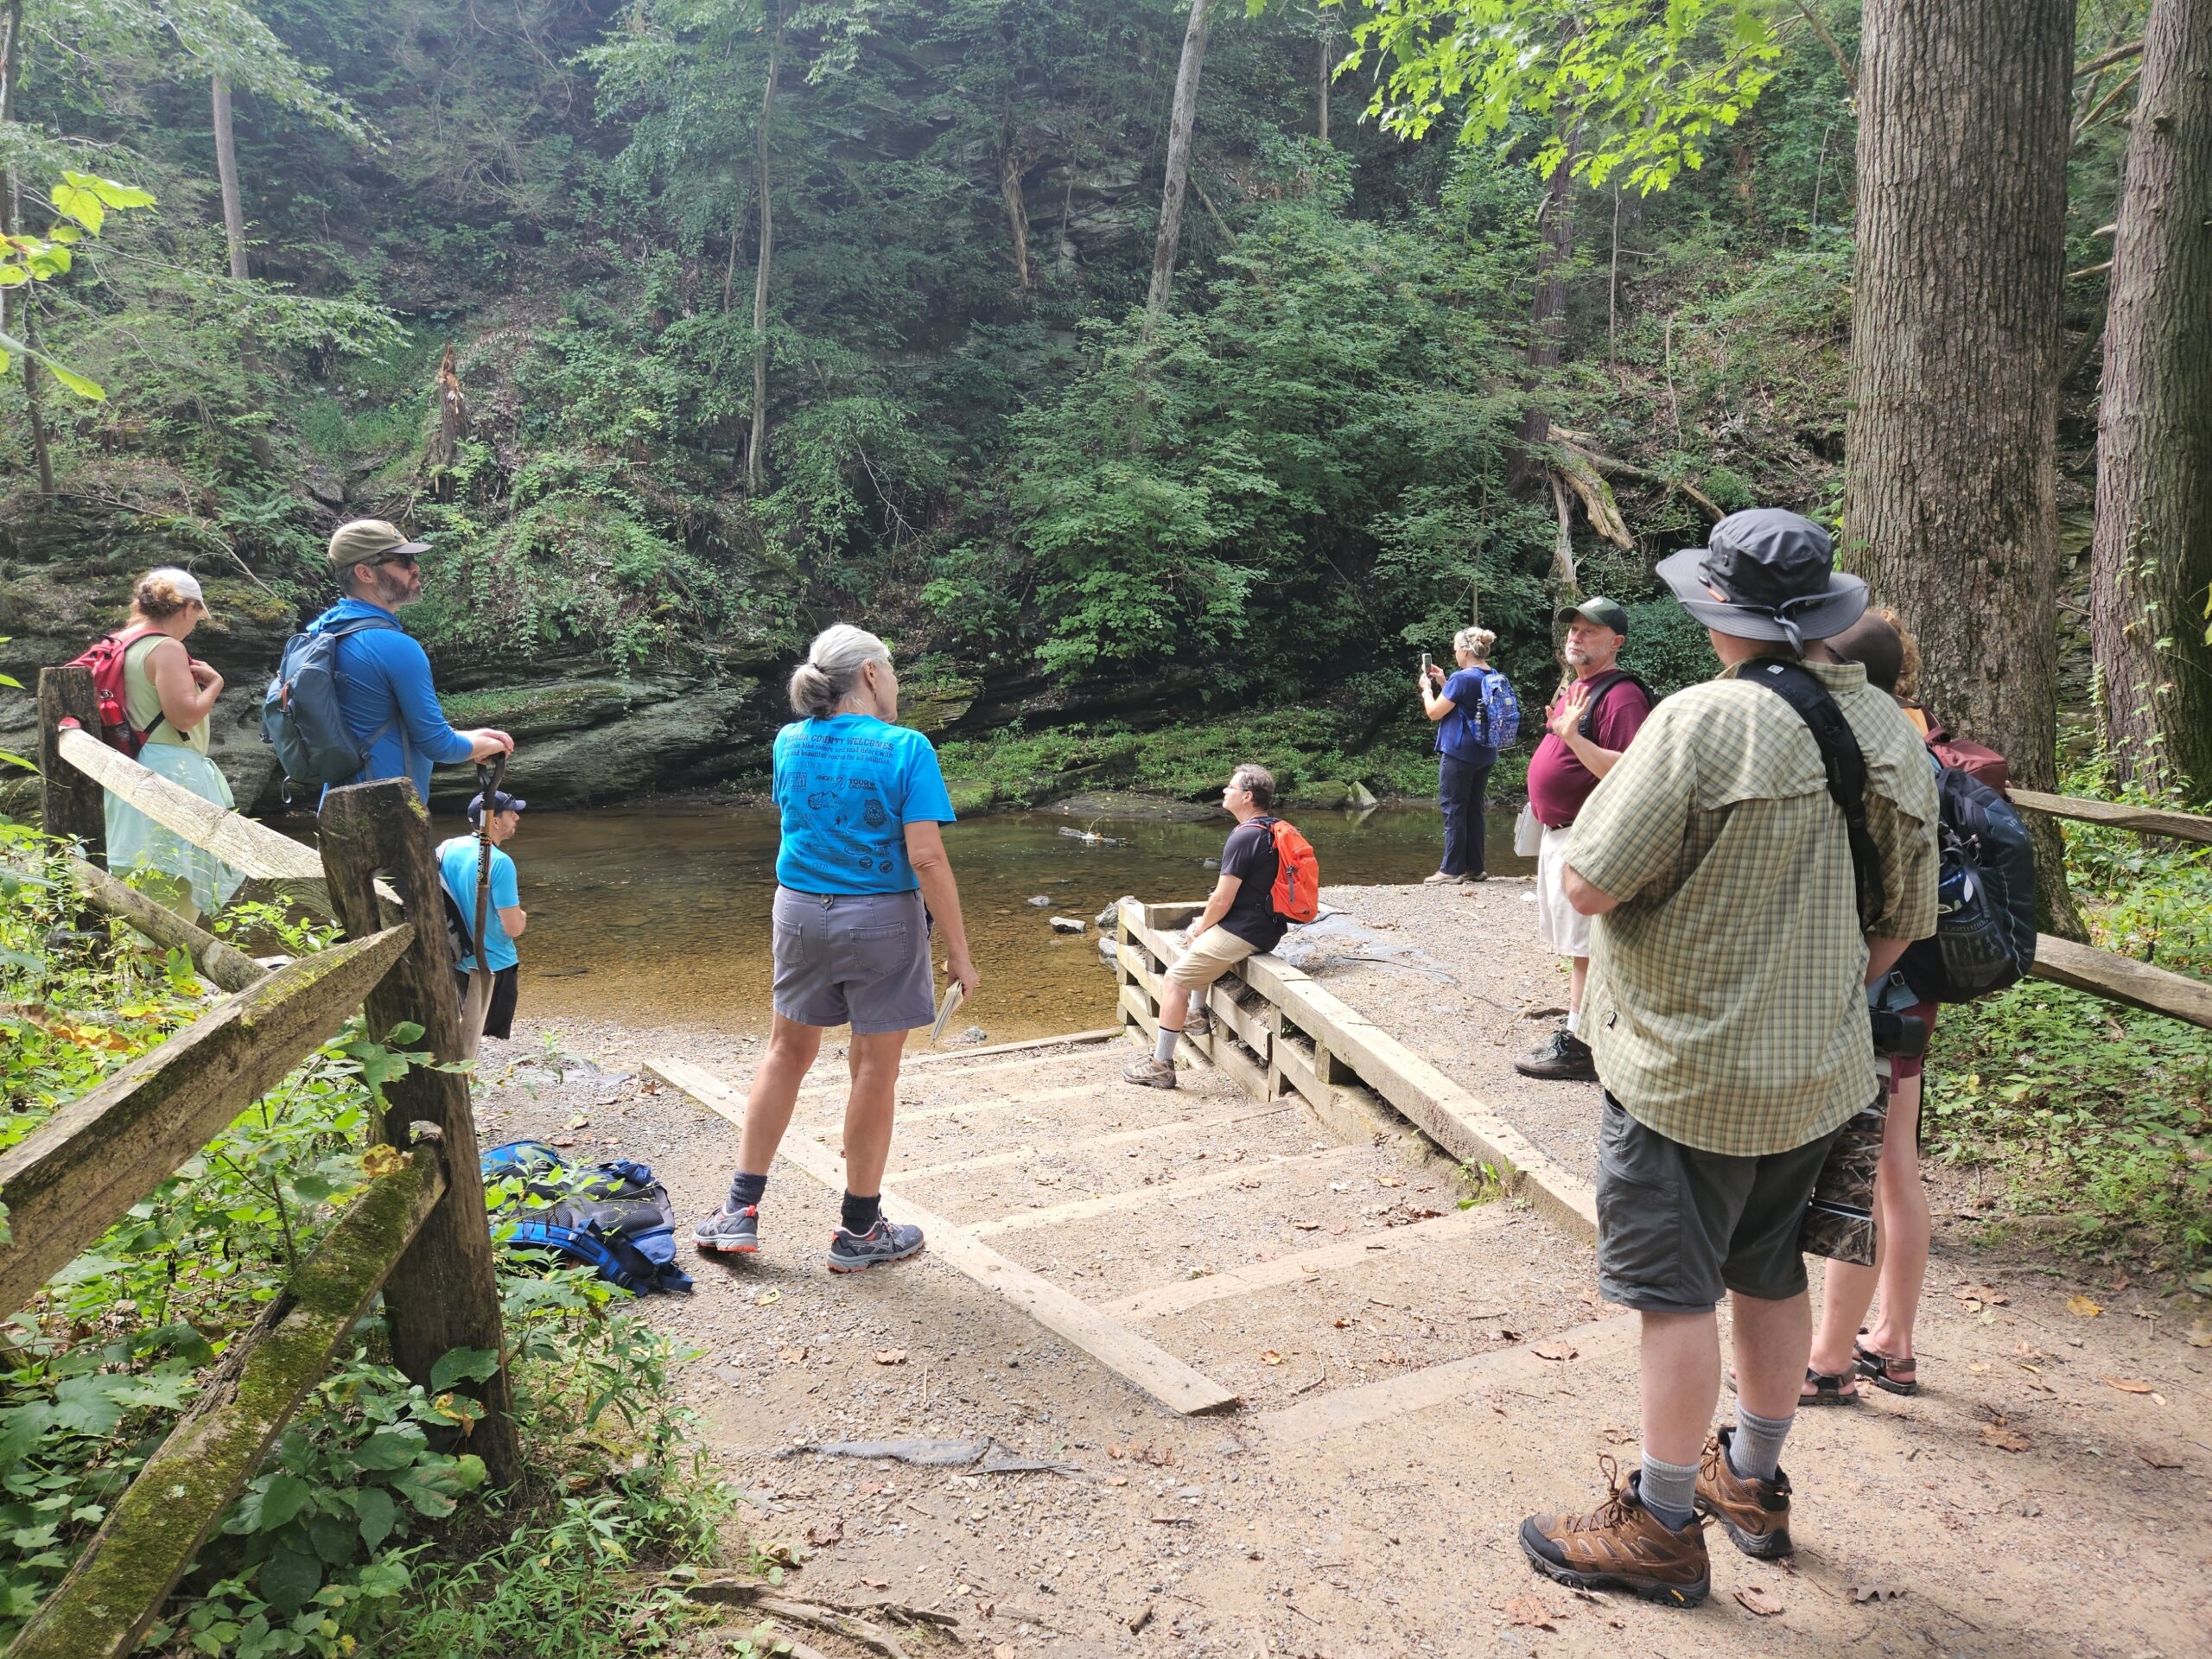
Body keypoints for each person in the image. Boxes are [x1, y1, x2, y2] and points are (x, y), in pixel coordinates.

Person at [1517, 510, 1936, 1606]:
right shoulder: (1892, 732)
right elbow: (1900, 923)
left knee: (1672, 1294)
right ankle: (1749, 1480)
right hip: (1820, 1072)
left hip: (1681, 1069)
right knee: (1767, 1270)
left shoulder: (1702, 723)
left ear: (1718, 612)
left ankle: (1658, 1526)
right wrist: (1819, 1006)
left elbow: (1589, 883)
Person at [692, 625, 980, 1271]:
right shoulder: (906, 747)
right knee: (873, 1068)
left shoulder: (789, 741)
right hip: (880, 917)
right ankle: (858, 1232)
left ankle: (739, 1212)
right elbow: (928, 859)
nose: (896, 681)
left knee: (785, 1052)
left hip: (797, 911)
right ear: (871, 676)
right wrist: (960, 952)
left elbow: (806, 821)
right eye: (893, 669)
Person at [1802, 607, 1939, 1402]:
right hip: (1913, 988)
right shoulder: (1920, 732)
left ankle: (1829, 1362)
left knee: (1858, 1176)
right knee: (1897, 1170)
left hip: (1872, 985)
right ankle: (1893, 1340)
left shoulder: (1865, 742)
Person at [1515, 597, 1652, 1082]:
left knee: (1589, 946)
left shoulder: (1621, 696)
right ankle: (1584, 1031)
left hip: (1589, 838)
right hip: (1562, 834)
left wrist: (1572, 739)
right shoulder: (1580, 687)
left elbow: (1636, 772)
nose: (1576, 637)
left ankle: (1582, 1045)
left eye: (1589, 631)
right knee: (1579, 946)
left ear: (1616, 642)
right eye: (1573, 629)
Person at [308, 519, 513, 804]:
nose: (415, 567)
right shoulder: (397, 648)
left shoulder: (319, 634)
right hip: (388, 814)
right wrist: (490, 743)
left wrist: (470, 737)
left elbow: (374, 723)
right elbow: (438, 745)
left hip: (335, 808)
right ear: (365, 572)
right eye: (403, 561)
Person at [1123, 764, 1286, 1090]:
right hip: (1266, 925)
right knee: (1200, 937)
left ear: (1247, 796)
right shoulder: (1273, 828)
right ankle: (1195, 1016)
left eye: (1230, 788)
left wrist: (1201, 925)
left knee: (1174, 980)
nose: (1224, 792)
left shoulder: (1245, 836)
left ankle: (1161, 1066)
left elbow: (1223, 900)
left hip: (1246, 930)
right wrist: (1204, 925)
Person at [99, 569, 245, 922]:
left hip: (129, 768)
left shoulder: (120, 643)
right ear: (187, 607)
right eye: (198, 613)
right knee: (175, 889)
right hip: (170, 772)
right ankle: (170, 973)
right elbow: (183, 717)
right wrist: (215, 685)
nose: (196, 622)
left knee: (140, 886)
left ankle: (144, 972)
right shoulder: (166, 647)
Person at [438, 789, 528, 1042]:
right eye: (512, 813)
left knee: (469, 1028)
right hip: (495, 964)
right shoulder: (499, 862)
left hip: (459, 958)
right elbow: (513, 928)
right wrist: (522, 916)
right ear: (495, 821)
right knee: (492, 1040)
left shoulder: (447, 848)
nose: (517, 818)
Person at [1418, 626, 1502, 886]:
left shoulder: (1462, 679)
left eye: (1455, 649)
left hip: (1459, 753)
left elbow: (1434, 712)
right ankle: (1475, 868)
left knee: (1454, 808)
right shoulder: (1492, 674)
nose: (1454, 654)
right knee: (1474, 809)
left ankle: (1451, 870)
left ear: (1465, 651)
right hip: (1485, 753)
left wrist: (1427, 690)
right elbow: (1465, 702)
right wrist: (1444, 681)